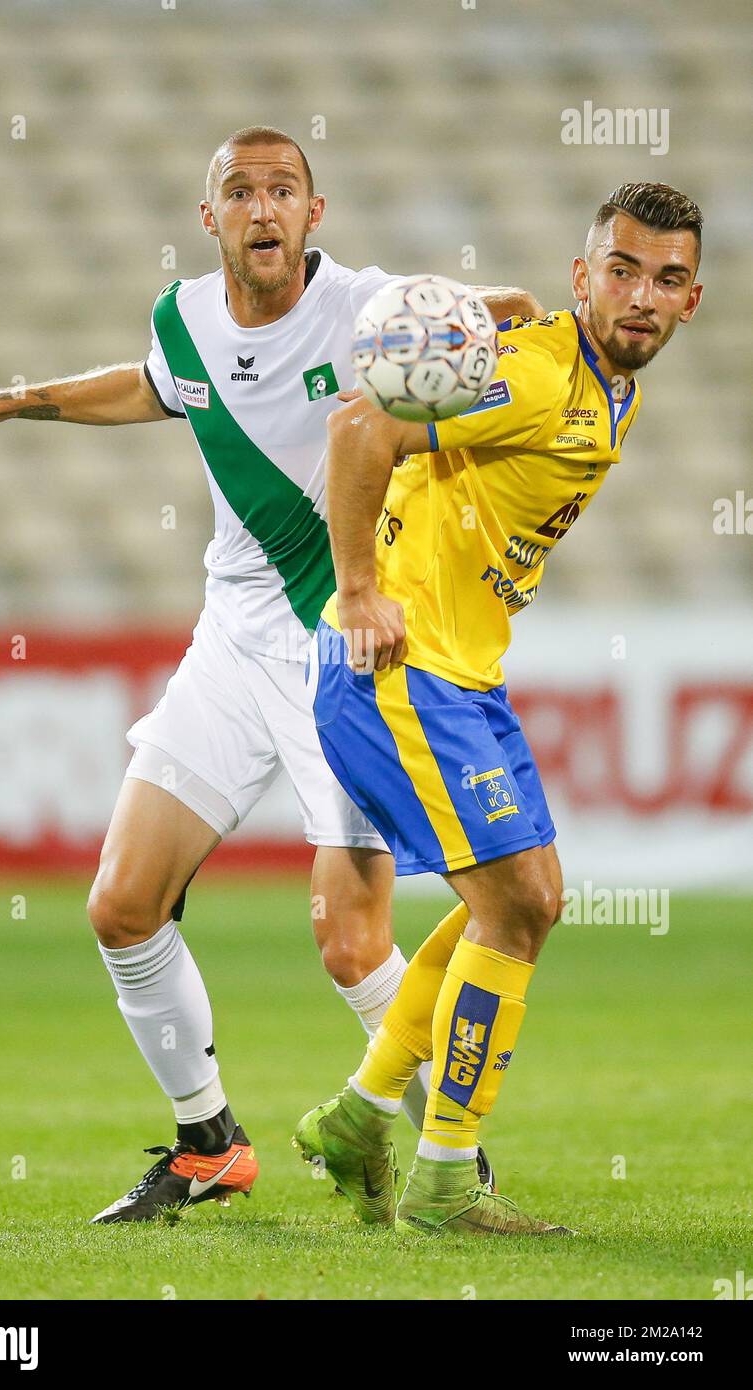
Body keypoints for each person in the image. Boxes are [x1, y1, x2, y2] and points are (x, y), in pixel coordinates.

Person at [0, 125, 540, 1223]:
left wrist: (499, 309)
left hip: (338, 645)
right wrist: (9, 403)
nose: (263, 209)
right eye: (240, 192)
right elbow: (155, 389)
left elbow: (476, 311)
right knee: (119, 906)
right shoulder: (184, 321)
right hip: (231, 640)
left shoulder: (359, 305)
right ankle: (209, 1142)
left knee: (349, 942)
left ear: (315, 211)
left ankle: (453, 1148)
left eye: (283, 191)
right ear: (209, 217)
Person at [295, 182, 703, 1236]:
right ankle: (442, 1178)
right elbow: (357, 430)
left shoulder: (612, 387)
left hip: (463, 672)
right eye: (619, 270)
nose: (639, 297)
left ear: (690, 299)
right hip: (398, 667)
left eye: (663, 279)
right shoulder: (531, 376)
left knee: (529, 901)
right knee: (515, 904)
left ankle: (358, 1112)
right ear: (583, 278)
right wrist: (355, 591)